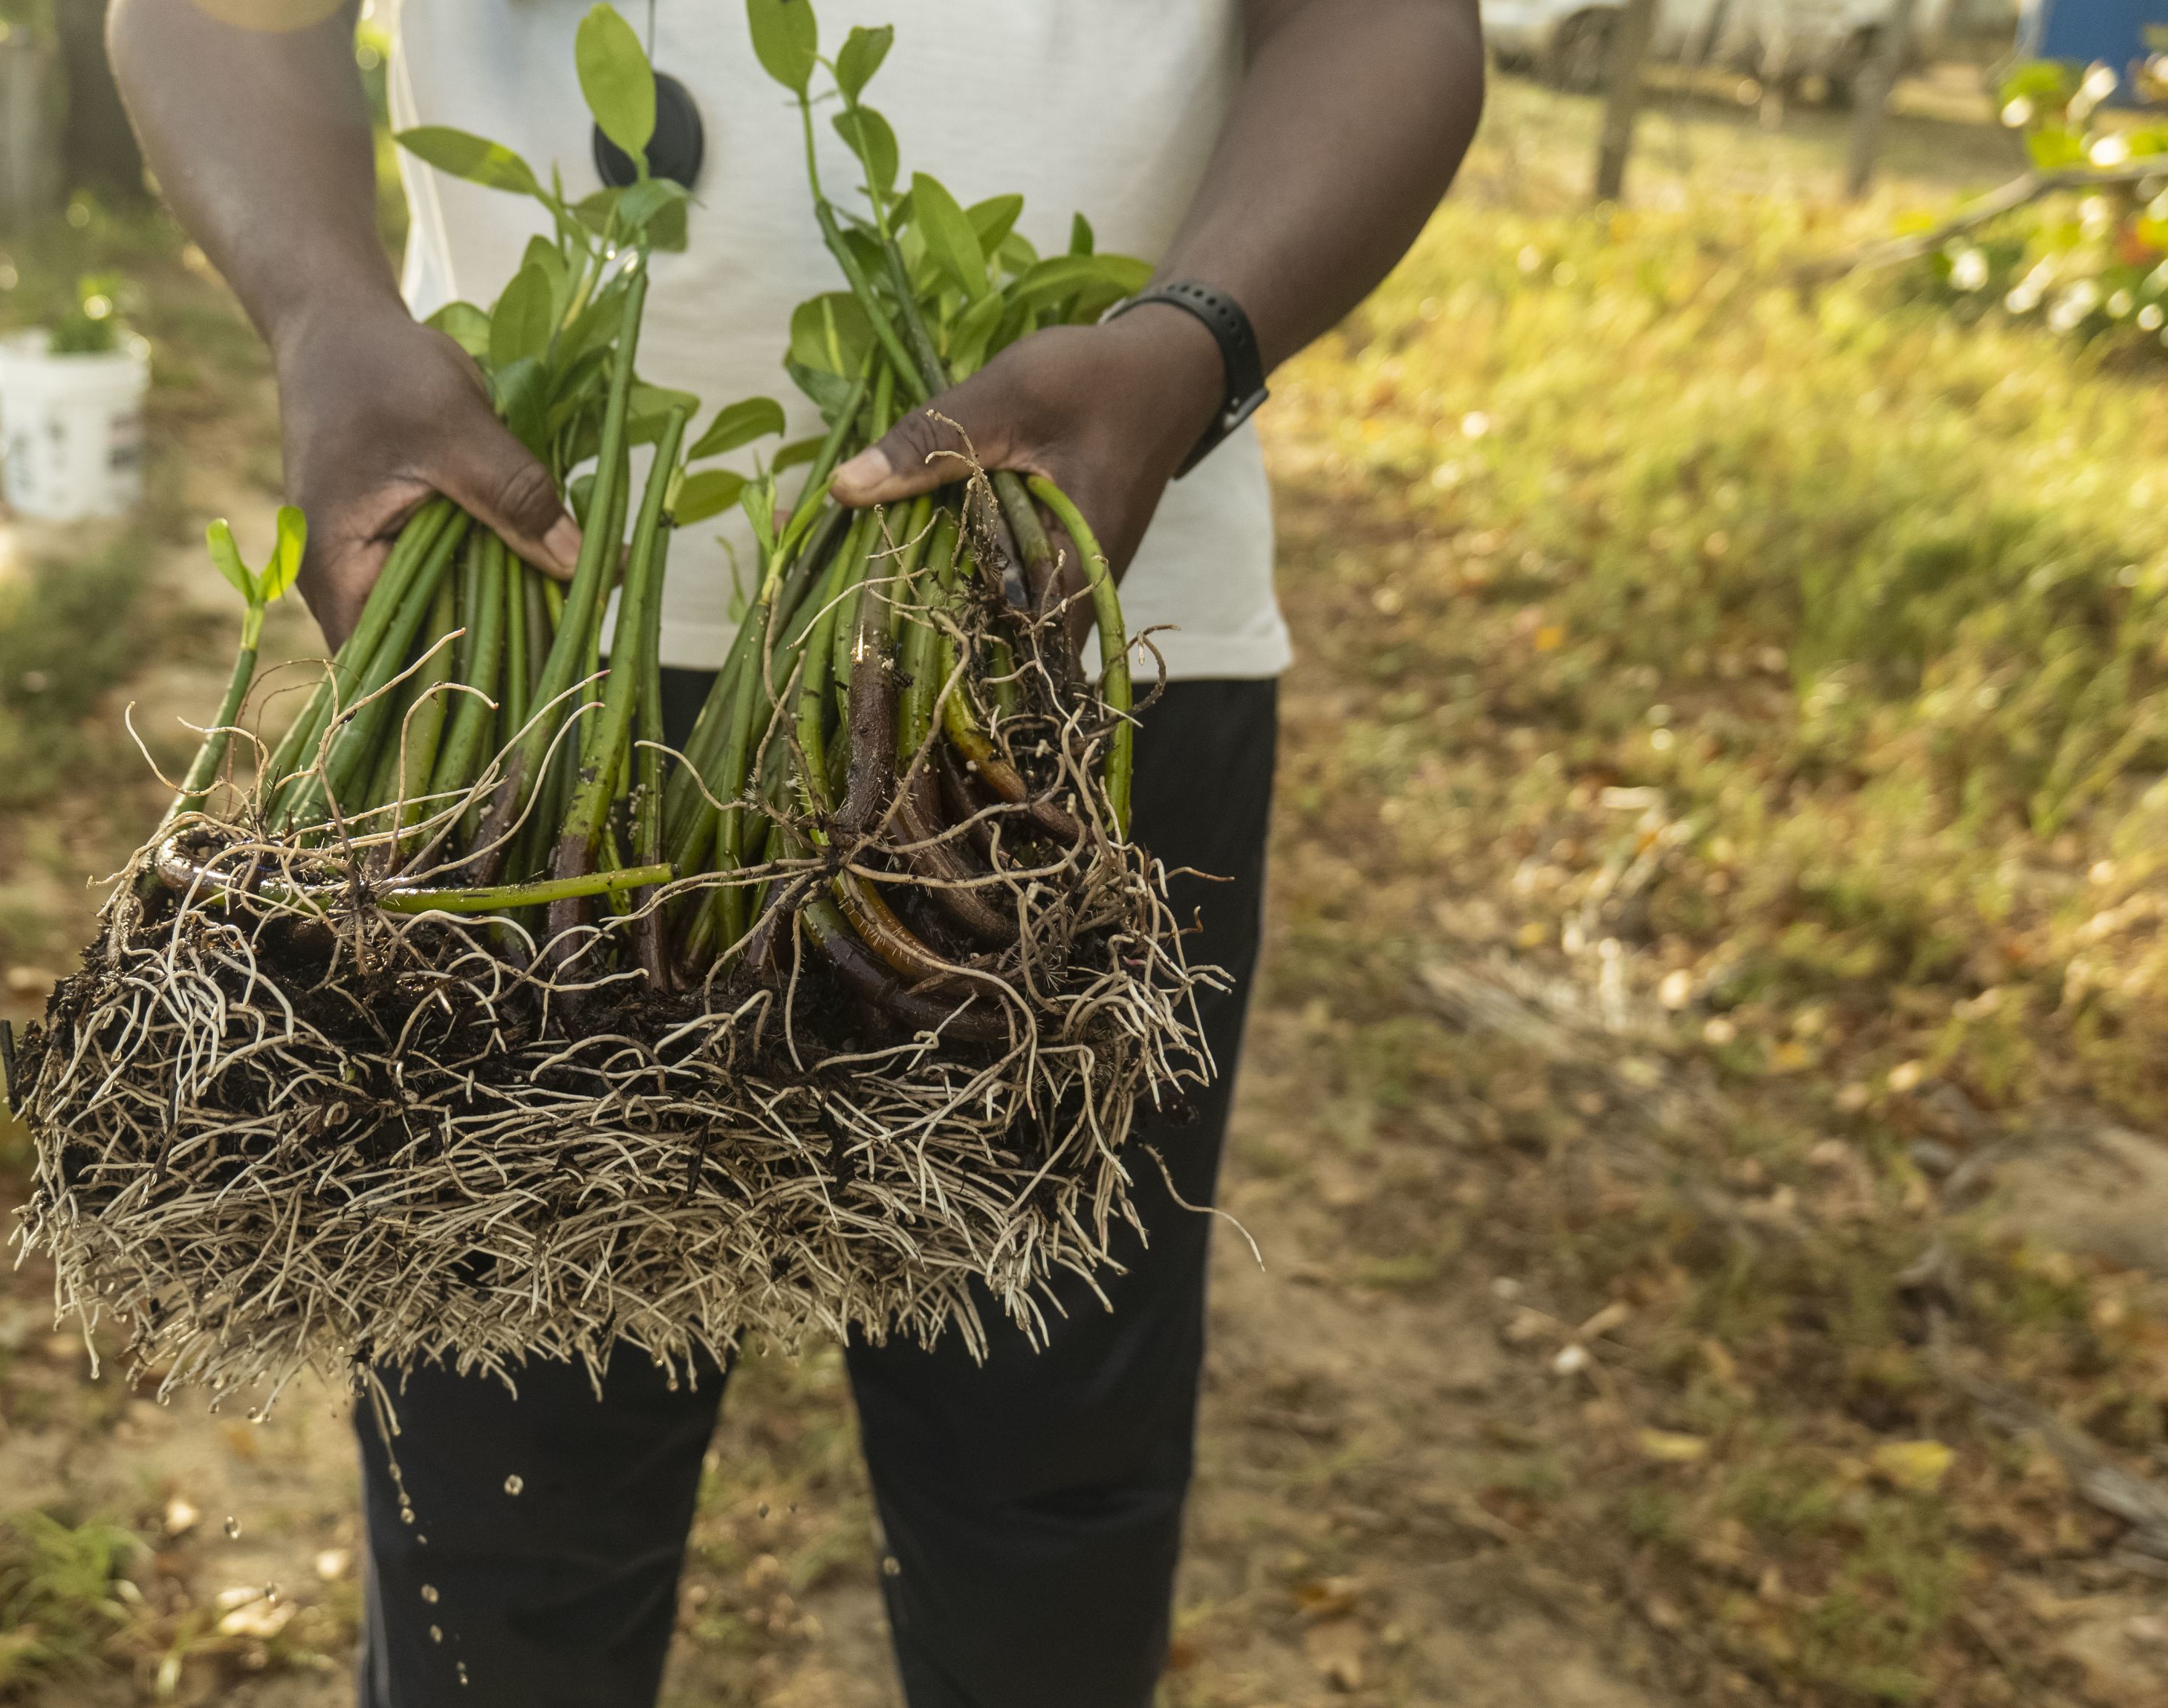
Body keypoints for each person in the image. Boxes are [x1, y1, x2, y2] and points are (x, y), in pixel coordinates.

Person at [108, 1, 1482, 1701]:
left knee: (1044, 1470)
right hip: (527, 625)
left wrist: (1189, 339)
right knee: (503, 1485)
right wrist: (322, 305)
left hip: (1055, 637)